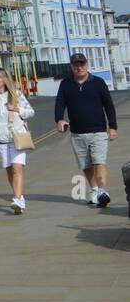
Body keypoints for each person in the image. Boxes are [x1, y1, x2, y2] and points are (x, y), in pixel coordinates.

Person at [55, 52, 118, 207]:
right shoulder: (66, 84)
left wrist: (113, 126)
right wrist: (59, 119)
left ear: (87, 65)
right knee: (86, 165)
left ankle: (102, 191)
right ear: (71, 66)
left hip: (98, 131)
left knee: (99, 162)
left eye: (82, 64)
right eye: (76, 65)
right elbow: (59, 103)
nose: (79, 67)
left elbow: (109, 105)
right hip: (77, 133)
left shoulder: (98, 82)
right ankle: (95, 190)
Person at [0, 68, 34, 214]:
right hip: (0, 139)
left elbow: (30, 112)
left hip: (17, 137)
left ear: (4, 80)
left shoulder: (15, 95)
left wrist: (17, 109)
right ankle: (19, 197)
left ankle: (16, 199)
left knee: (17, 168)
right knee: (9, 170)